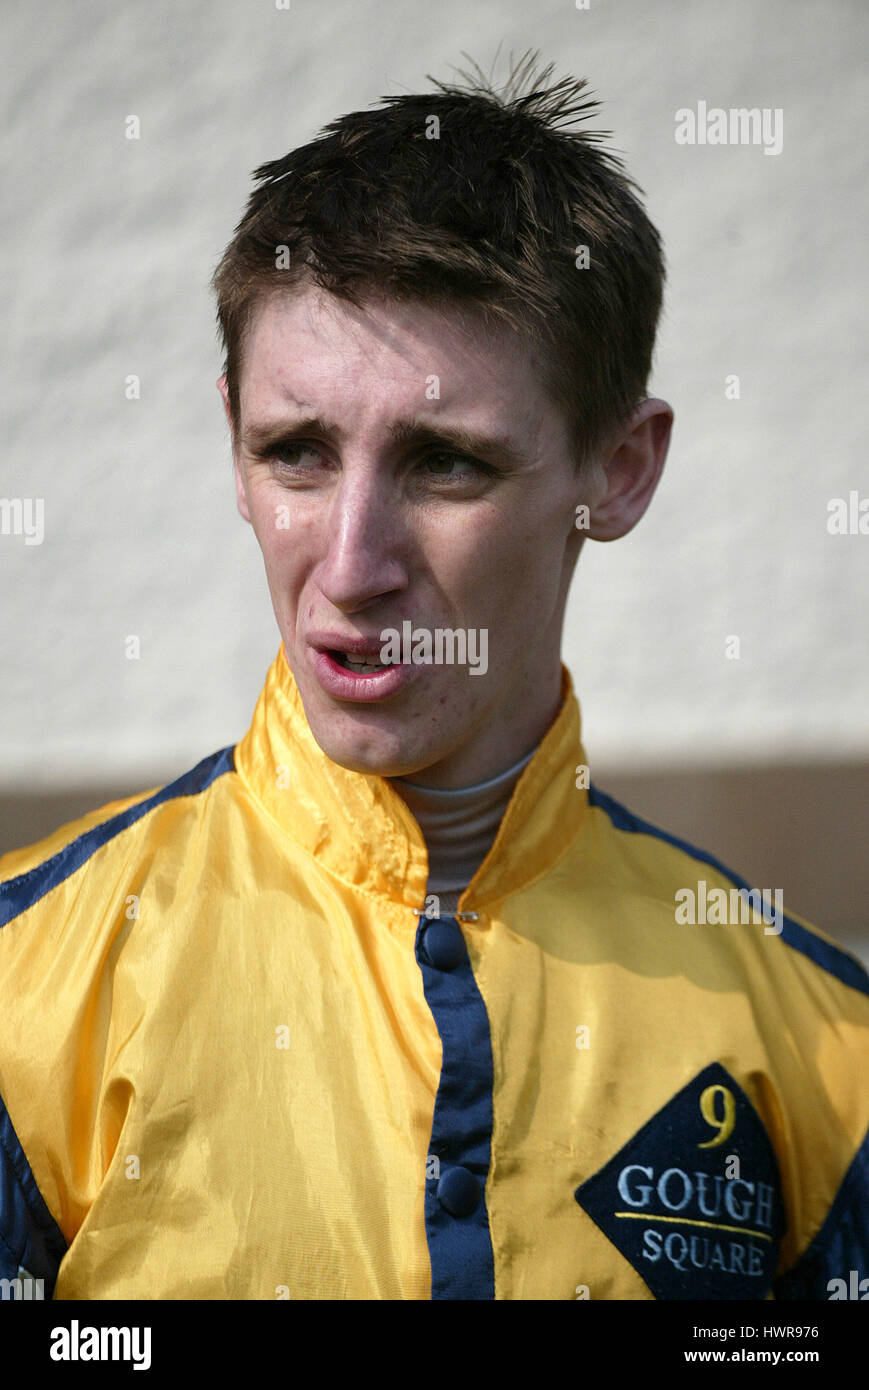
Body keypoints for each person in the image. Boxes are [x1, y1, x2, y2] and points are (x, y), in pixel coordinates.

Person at [1, 54, 866, 1302]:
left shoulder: (817, 1037)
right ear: (232, 454)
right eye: (295, 452)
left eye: (444, 464)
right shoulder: (32, 989)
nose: (350, 567)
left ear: (616, 471)